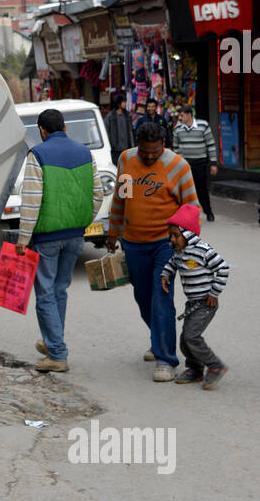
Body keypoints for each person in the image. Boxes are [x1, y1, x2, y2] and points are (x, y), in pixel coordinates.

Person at [106, 121, 199, 381]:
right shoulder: (126, 159)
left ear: (164, 145)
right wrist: (113, 233)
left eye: (154, 152)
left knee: (161, 299)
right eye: (144, 151)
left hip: (164, 245)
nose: (148, 156)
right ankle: (158, 339)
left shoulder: (179, 166)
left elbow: (192, 208)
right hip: (133, 243)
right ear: (137, 144)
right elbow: (120, 199)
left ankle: (166, 359)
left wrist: (190, 246)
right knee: (143, 298)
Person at [15, 108, 104, 373]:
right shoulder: (85, 153)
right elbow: (97, 194)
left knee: (44, 294)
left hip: (47, 238)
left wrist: (23, 238)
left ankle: (57, 353)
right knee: (59, 290)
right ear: (65, 128)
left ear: (41, 131)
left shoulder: (38, 154)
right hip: (75, 236)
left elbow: (31, 200)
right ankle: (53, 341)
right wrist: (84, 221)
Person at [161, 204, 229, 390]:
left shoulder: (203, 250)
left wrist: (214, 293)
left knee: (192, 336)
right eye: (171, 235)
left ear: (189, 234)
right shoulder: (178, 252)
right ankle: (195, 369)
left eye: (176, 235)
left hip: (206, 303)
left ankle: (215, 366)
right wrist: (165, 274)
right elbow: (172, 263)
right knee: (185, 340)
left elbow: (223, 268)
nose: (172, 239)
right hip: (192, 303)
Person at [172, 105, 218, 222]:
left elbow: (211, 145)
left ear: (189, 114)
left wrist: (213, 163)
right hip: (184, 164)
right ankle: (188, 215)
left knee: (201, 189)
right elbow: (176, 148)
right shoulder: (178, 129)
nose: (180, 118)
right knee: (185, 190)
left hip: (200, 162)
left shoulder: (203, 125)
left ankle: (208, 211)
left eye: (182, 115)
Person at [104, 93, 133, 161]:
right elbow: (106, 132)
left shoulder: (127, 115)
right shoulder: (110, 116)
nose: (125, 104)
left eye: (125, 102)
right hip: (115, 149)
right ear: (118, 103)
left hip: (127, 148)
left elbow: (131, 132)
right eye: (123, 102)